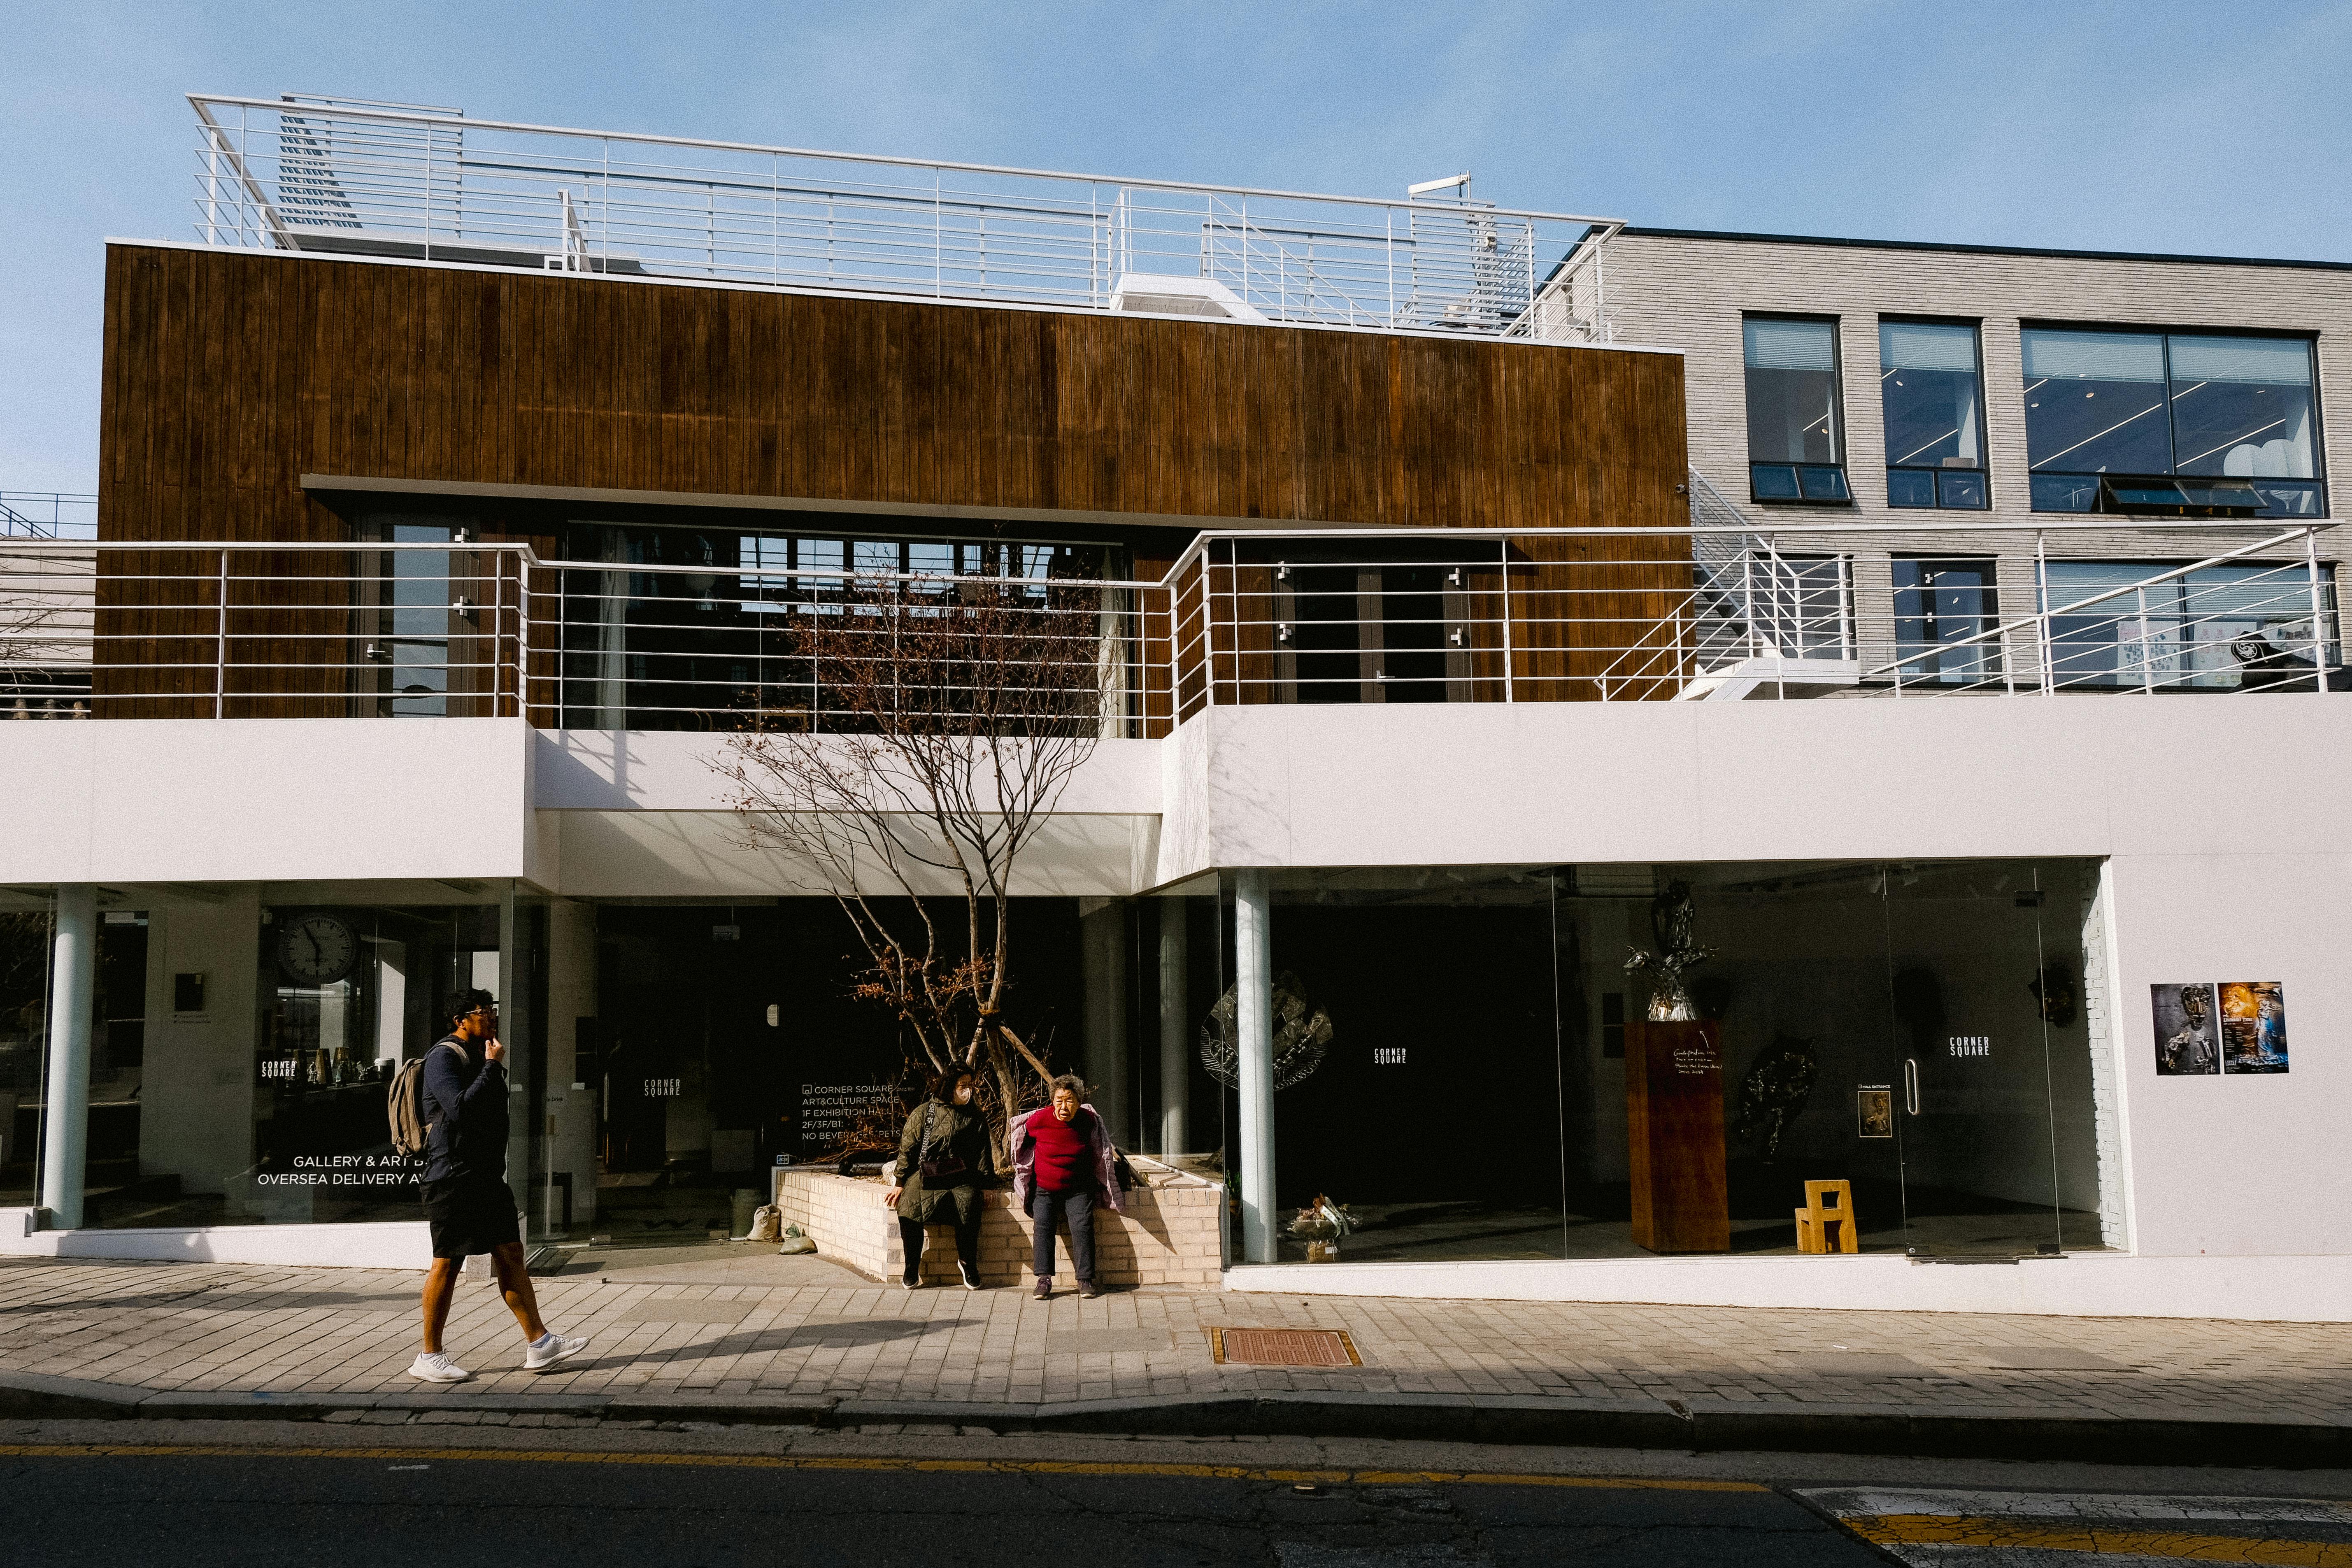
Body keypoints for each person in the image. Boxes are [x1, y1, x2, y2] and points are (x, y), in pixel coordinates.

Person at [409, 987, 589, 1383]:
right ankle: (429, 1355)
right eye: (483, 1012)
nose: (492, 1018)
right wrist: (492, 1066)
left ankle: (540, 1344)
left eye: (492, 1011)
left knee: (510, 1252)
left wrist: (489, 1065)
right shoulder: (444, 1057)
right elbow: (459, 1109)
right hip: (452, 1177)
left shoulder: (477, 1056)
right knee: (448, 1262)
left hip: (484, 1177)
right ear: (461, 1020)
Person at [884, 1066, 998, 1290]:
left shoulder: (974, 1116)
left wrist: (987, 1185)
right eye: (963, 1085)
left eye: (970, 1085)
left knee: (970, 1203)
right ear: (950, 1087)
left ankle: (967, 1262)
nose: (968, 1090)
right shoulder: (924, 1112)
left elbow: (983, 1152)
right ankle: (912, 1266)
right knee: (908, 1205)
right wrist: (899, 1182)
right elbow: (907, 1150)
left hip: (961, 1175)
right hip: (927, 1173)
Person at [1009, 1073, 1122, 1300]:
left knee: (1082, 1226)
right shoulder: (1039, 1120)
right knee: (1043, 1225)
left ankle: (1085, 1280)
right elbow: (1022, 1137)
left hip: (1079, 1188)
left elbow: (1100, 1147)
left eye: (1069, 1100)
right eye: (1059, 1100)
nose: (1064, 1106)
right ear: (1053, 1101)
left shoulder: (1088, 1120)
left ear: (1079, 1103)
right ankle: (1044, 1280)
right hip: (1045, 1188)